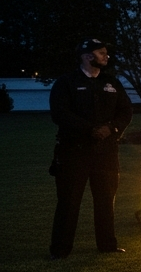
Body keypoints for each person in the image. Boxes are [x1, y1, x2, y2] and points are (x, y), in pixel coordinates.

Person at [48, 38, 133, 260]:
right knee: (69, 201)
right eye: (101, 53)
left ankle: (107, 245)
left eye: (106, 53)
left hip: (106, 153)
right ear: (87, 56)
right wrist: (90, 129)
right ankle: (60, 250)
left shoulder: (112, 83)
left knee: (106, 200)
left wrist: (111, 129)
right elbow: (60, 113)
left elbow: (125, 111)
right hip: (73, 151)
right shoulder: (66, 83)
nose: (106, 56)